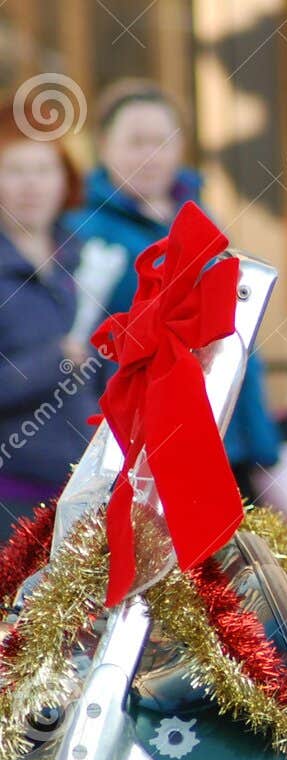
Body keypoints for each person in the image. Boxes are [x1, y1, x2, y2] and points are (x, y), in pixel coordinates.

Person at [62, 80, 280, 496]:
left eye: (161, 142)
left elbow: (233, 331)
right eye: (136, 141)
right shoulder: (83, 231)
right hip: (140, 445)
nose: (150, 156)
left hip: (224, 436)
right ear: (104, 145)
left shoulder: (198, 215)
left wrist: (259, 440)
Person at [0, 98, 88, 521]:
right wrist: (54, 360)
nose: (31, 185)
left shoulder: (85, 257)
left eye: (44, 169)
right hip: (13, 500)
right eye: (15, 170)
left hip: (86, 491)